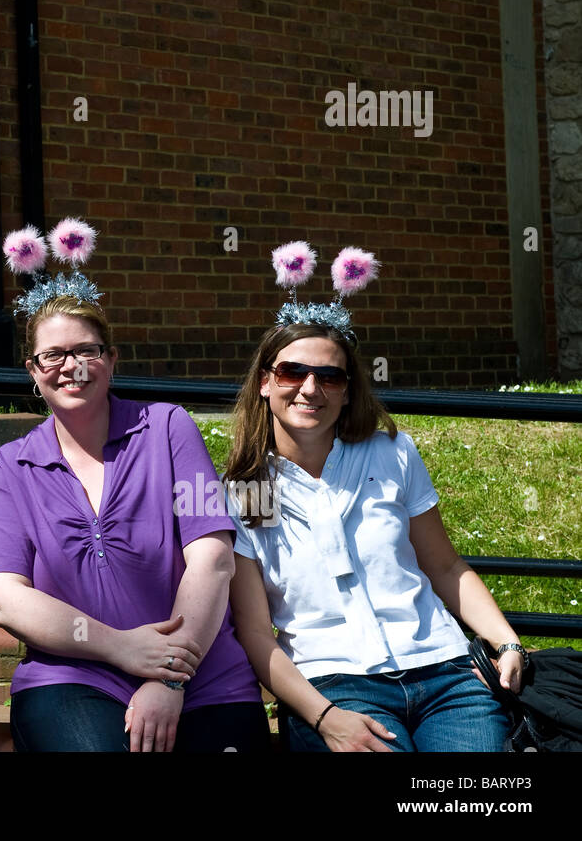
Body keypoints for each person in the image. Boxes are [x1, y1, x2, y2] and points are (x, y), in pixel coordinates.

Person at [0, 222, 269, 752]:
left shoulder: (168, 427)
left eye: (87, 350)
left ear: (111, 358)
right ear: (33, 371)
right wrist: (119, 648)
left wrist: (168, 675)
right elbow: (3, 597)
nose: (72, 367)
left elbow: (212, 559)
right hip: (75, 679)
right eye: (54, 356)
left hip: (204, 677)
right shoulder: (8, 466)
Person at [223, 243, 524, 752]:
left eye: (330, 375)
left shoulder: (391, 452)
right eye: (293, 372)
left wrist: (506, 640)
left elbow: (446, 567)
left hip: (446, 675)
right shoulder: (246, 490)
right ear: (265, 383)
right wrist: (324, 718)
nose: (310, 388)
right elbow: (255, 630)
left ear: (346, 389)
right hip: (334, 686)